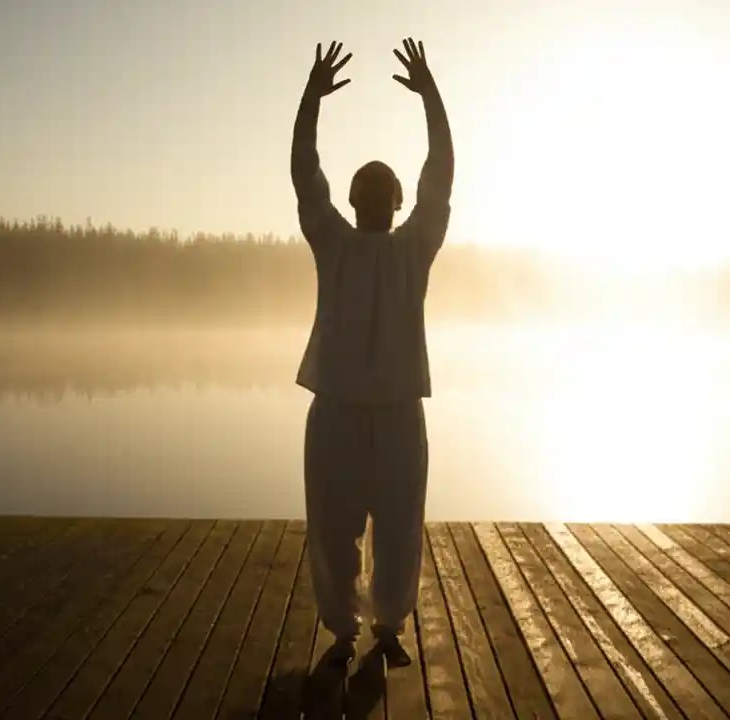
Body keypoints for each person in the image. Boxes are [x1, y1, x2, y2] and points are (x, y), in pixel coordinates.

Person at [292, 37, 453, 668]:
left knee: (399, 527)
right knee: (332, 531)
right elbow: (306, 174)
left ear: (395, 203)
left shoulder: (414, 250)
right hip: (336, 410)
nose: (373, 197)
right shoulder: (332, 243)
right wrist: (312, 100)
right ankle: (341, 629)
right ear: (356, 201)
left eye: (381, 190)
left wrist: (430, 97)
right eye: (366, 190)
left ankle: (388, 626)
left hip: (393, 411)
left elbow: (440, 173)